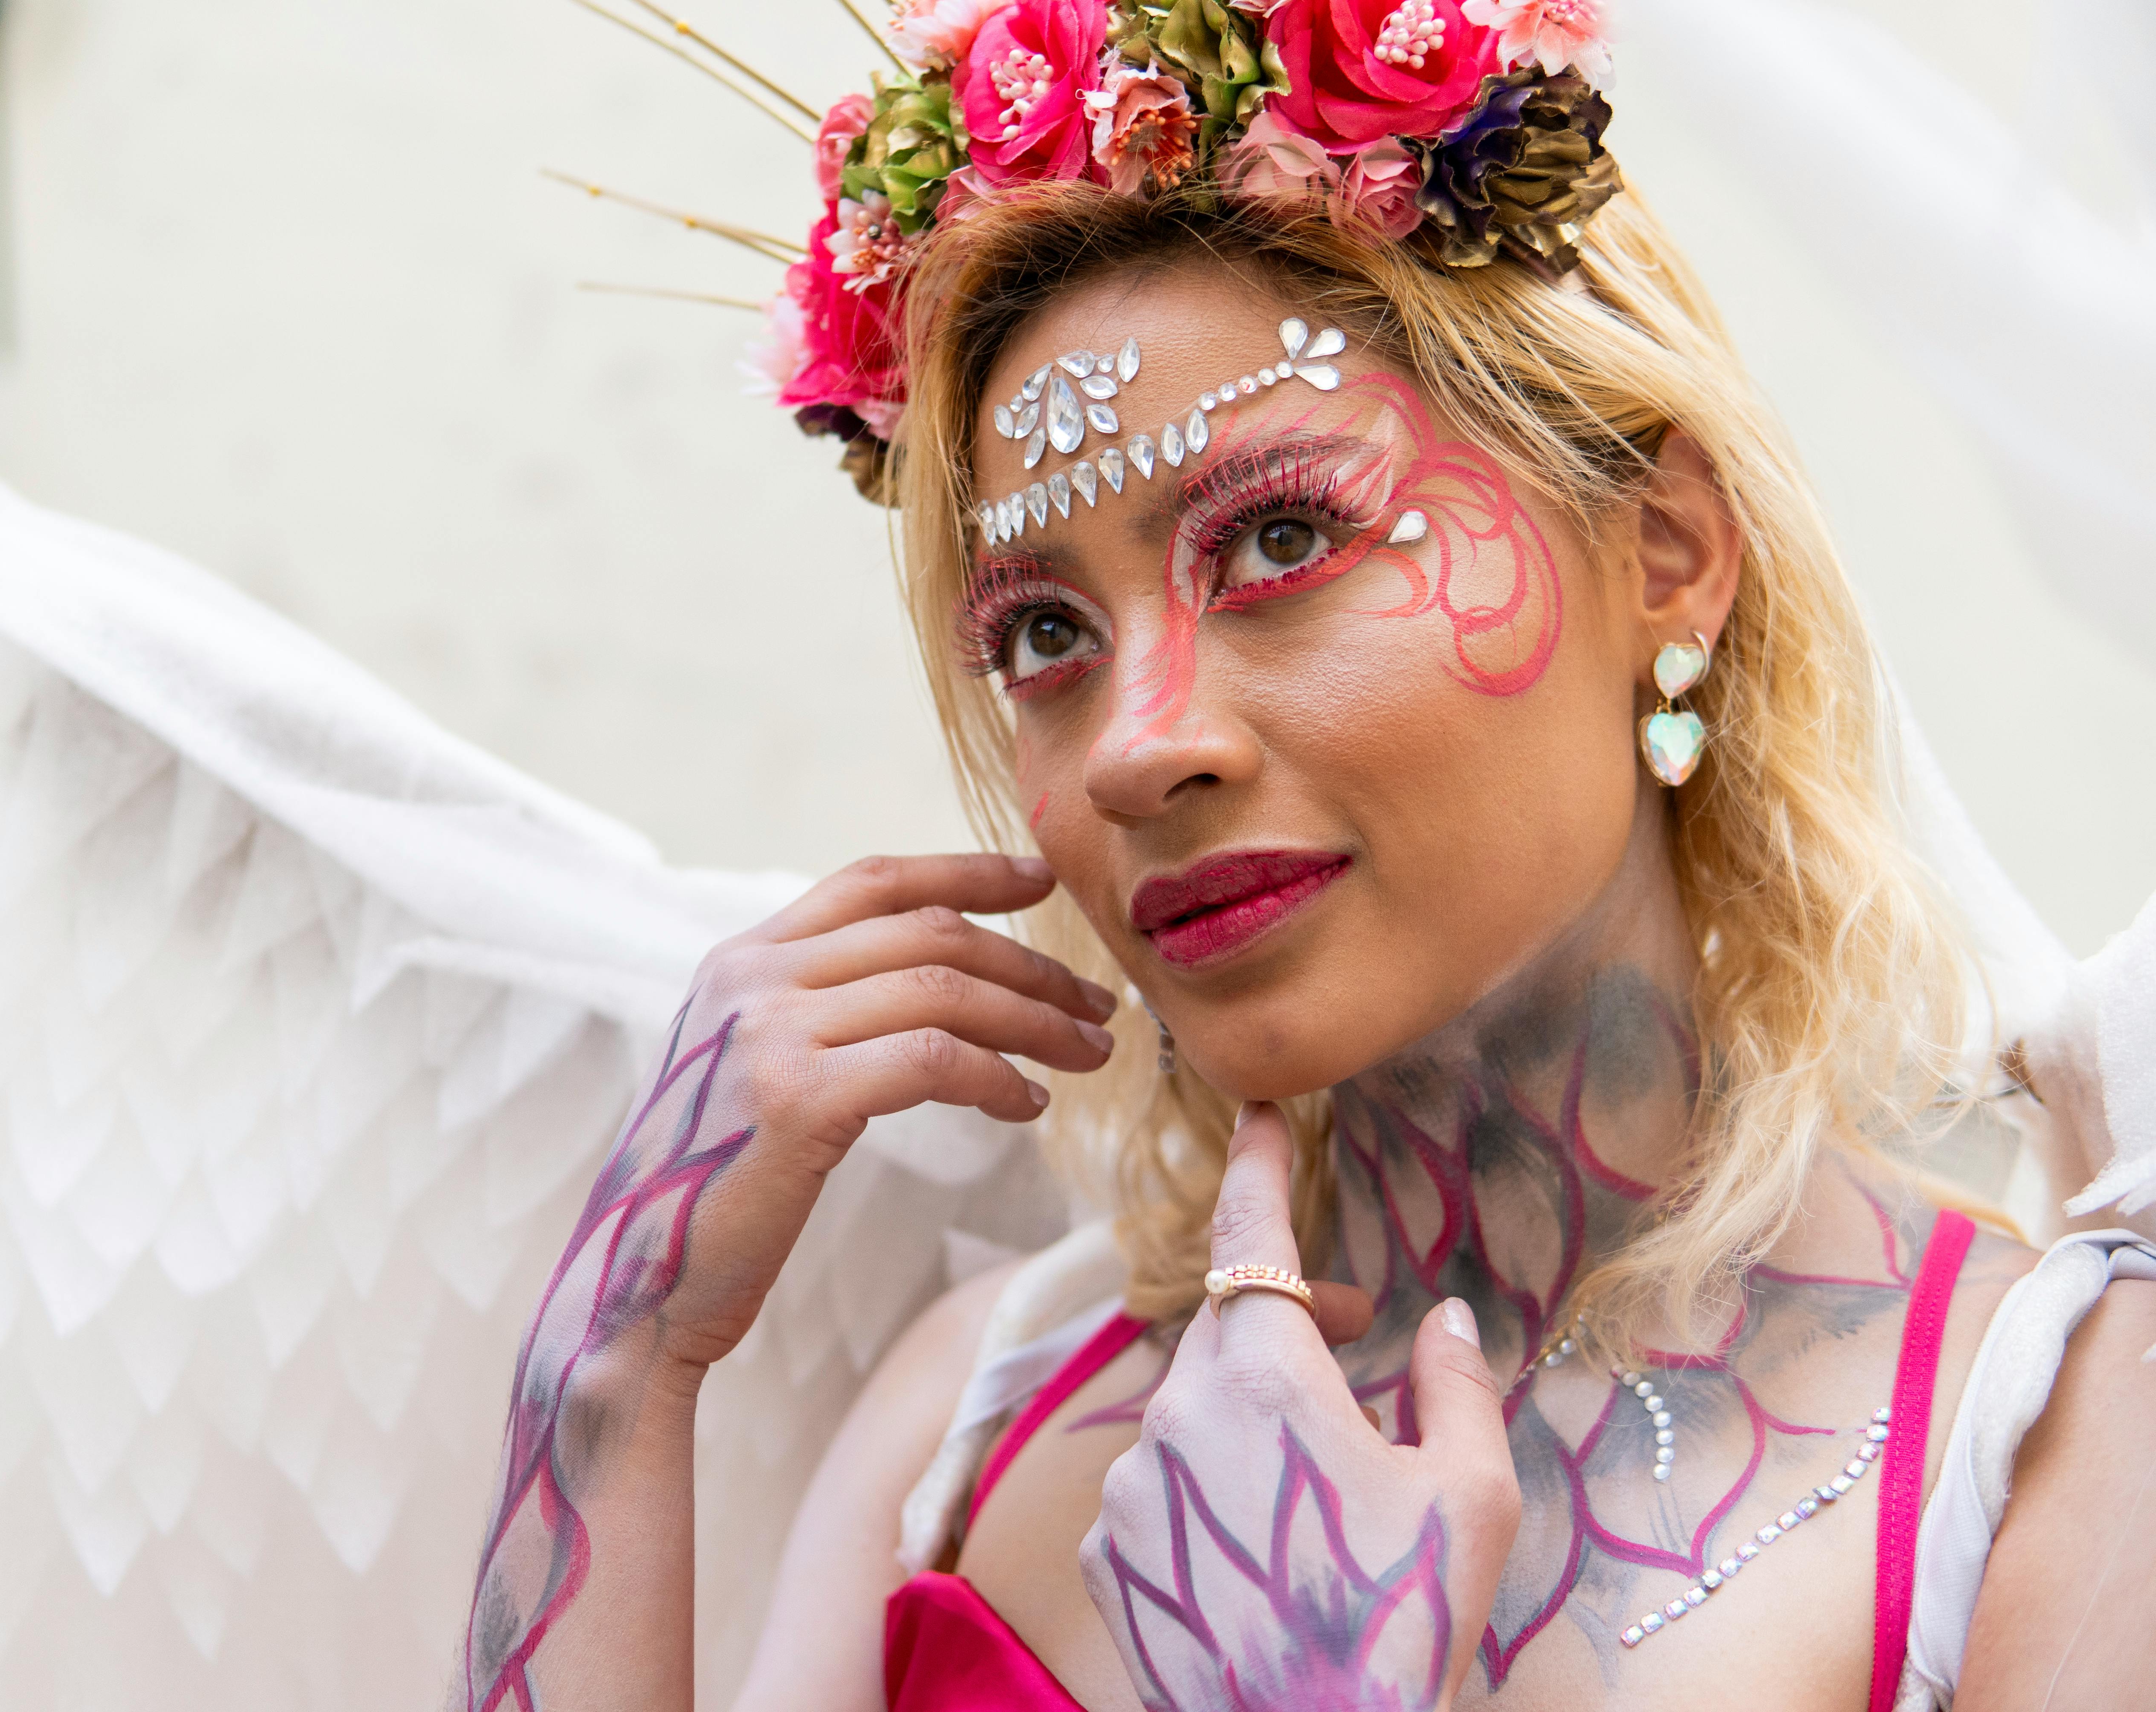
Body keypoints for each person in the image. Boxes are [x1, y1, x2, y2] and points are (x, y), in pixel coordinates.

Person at [458, 4, 2156, 1707]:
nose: (1133, 741)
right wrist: (610, 1364)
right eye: (1042, 634)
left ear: (1664, 550)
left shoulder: (2061, 1433)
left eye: (1279, 538)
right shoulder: (973, 1412)